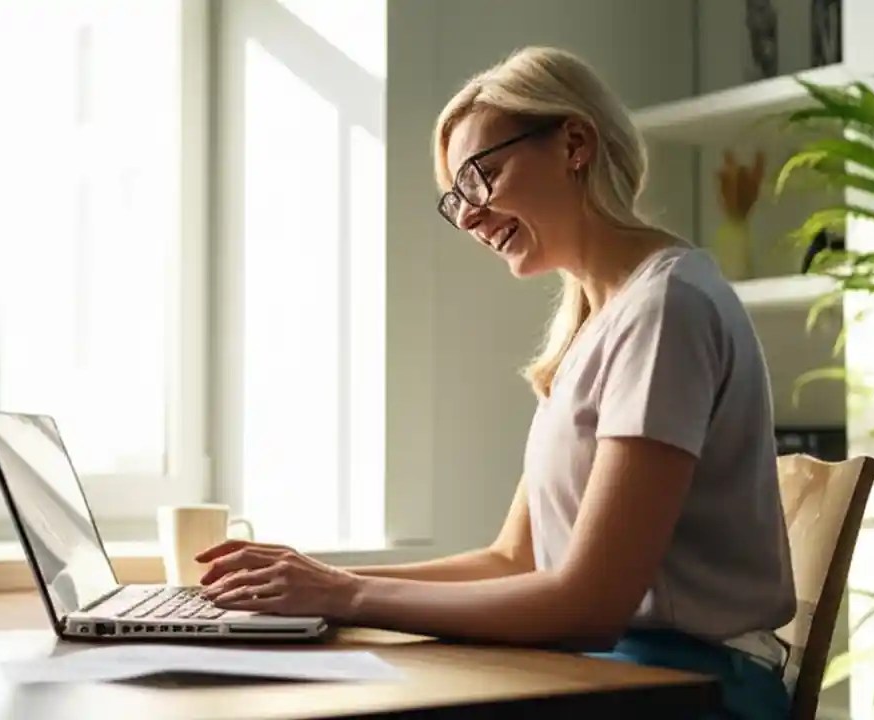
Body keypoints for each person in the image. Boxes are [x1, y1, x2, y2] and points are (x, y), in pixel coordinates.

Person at [194, 46, 796, 720]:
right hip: (622, 672)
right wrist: (319, 580)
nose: (471, 216)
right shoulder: (600, 322)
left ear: (573, 143)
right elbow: (512, 559)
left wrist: (343, 594)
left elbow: (590, 604)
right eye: (456, 199)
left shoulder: (666, 307)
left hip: (695, 688)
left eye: (481, 176)